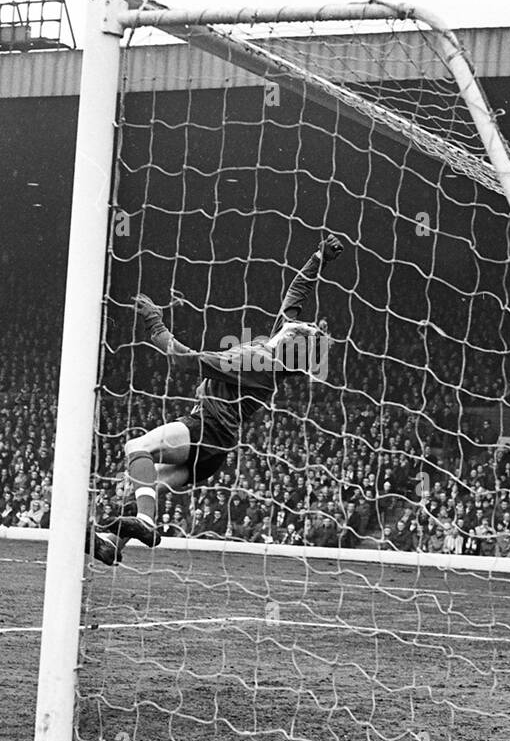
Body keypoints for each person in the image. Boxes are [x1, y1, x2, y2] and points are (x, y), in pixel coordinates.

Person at [92, 235, 346, 565]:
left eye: (302, 328)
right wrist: (319, 259)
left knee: (136, 448)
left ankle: (146, 523)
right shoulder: (276, 358)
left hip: (205, 430)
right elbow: (296, 293)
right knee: (149, 481)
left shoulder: (256, 363)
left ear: (291, 342)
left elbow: (185, 360)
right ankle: (112, 544)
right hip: (215, 452)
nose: (298, 322)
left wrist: (155, 324)